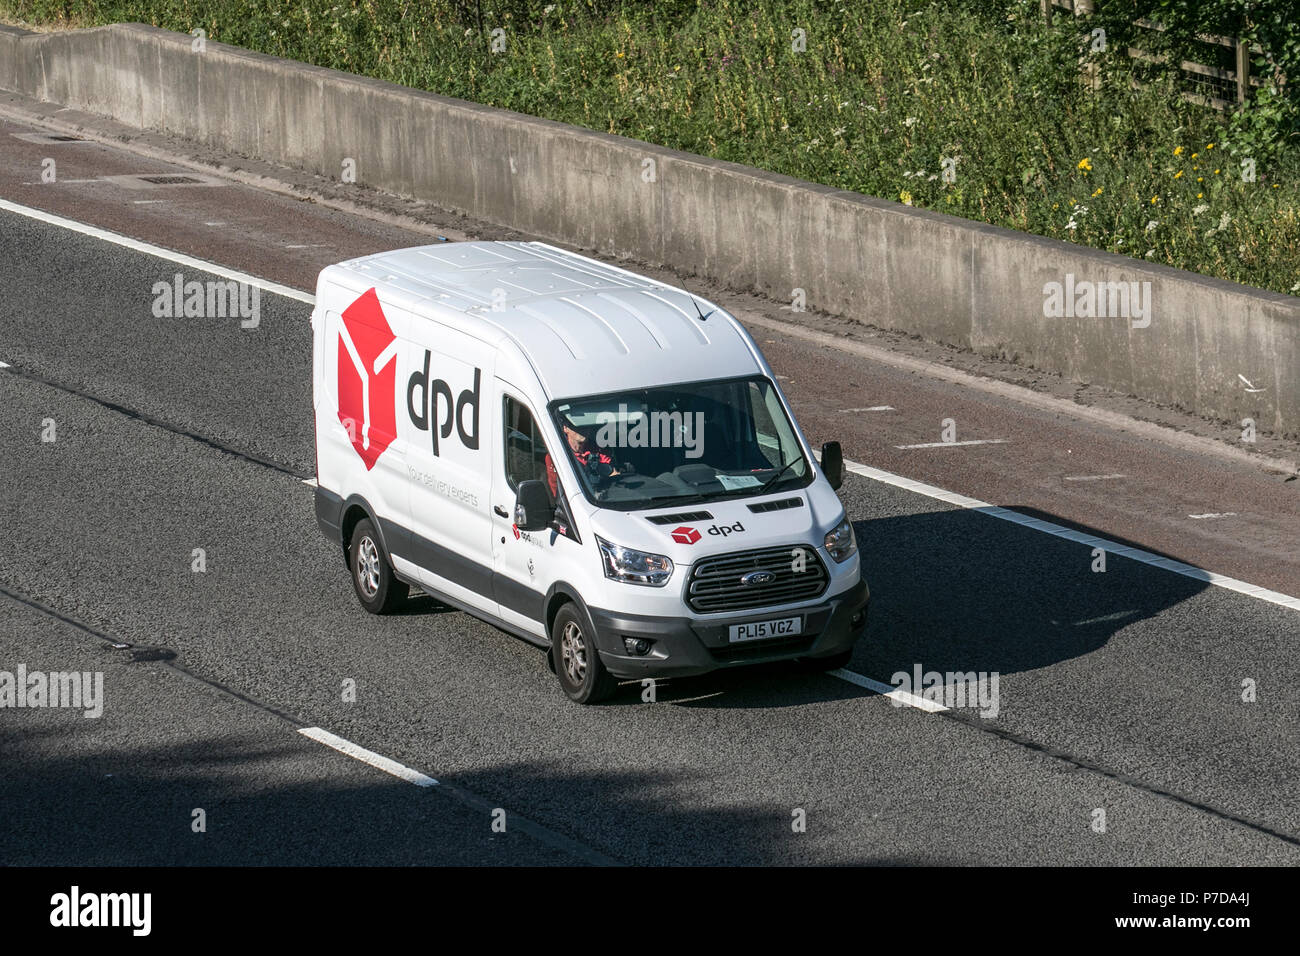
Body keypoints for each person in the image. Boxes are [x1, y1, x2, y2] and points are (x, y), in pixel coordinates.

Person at [545, 422, 618, 498]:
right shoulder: (558, 455)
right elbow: (559, 492)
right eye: (577, 426)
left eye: (586, 427)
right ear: (565, 428)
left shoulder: (598, 449)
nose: (584, 430)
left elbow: (613, 474)